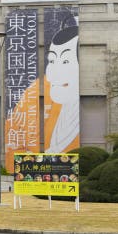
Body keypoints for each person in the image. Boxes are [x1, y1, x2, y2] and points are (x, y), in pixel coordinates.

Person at [45, 20, 80, 153]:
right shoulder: (63, 113)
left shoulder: (75, 117)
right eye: (52, 61)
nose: (53, 73)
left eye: (65, 61)